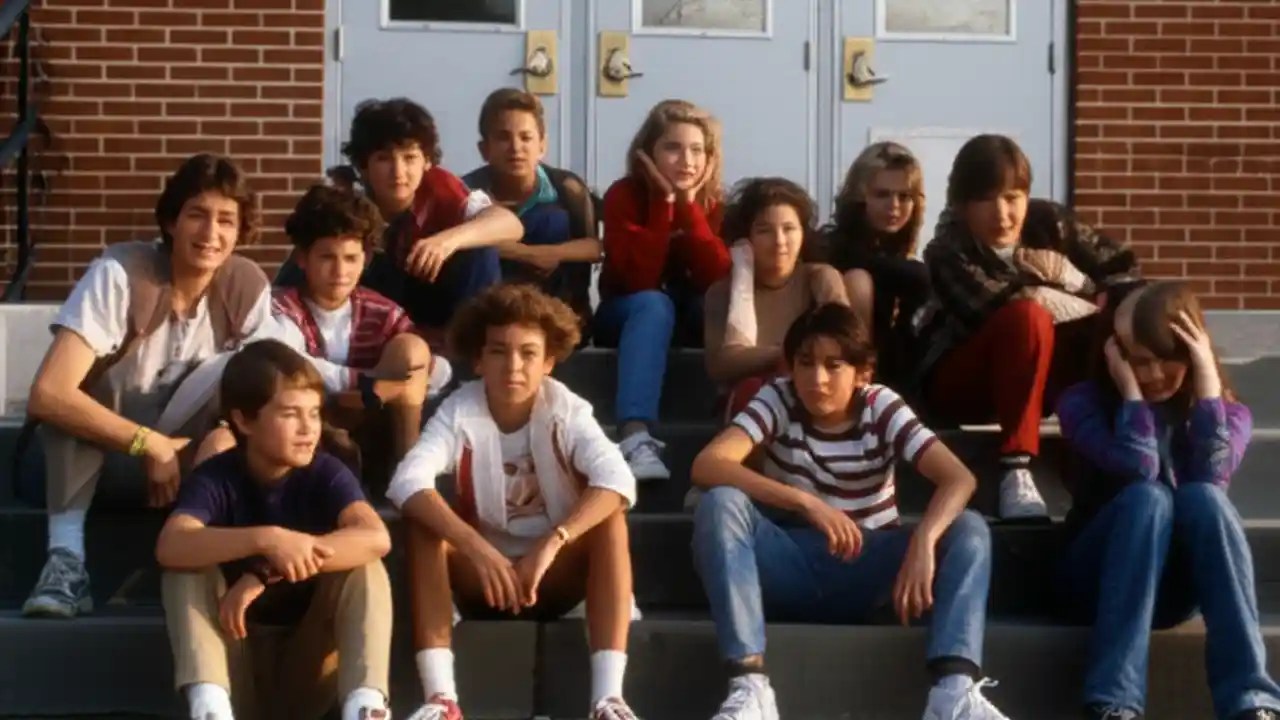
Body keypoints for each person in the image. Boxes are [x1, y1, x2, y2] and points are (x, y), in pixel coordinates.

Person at [691, 303, 1013, 720]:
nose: (816, 379)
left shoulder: (881, 406)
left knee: (969, 527)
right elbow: (707, 465)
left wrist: (925, 540)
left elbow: (959, 479)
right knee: (720, 502)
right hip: (792, 560)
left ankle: (953, 692)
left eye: (833, 365)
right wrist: (806, 503)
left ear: (862, 372)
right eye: (805, 364)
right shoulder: (779, 397)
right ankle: (750, 687)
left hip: (874, 568)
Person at [21, 153, 274, 619]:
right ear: (171, 221)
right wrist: (147, 443)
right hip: (81, 466)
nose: (210, 233)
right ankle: (66, 564)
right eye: (197, 215)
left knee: (232, 427)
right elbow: (49, 393)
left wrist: (216, 435)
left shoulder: (246, 285)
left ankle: (204, 568)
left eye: (226, 220)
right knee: (78, 401)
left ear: (241, 232)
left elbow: (268, 394)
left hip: (178, 465)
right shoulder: (121, 273)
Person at [387, 284, 641, 720]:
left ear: (548, 362)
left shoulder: (567, 407)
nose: (513, 366)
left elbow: (618, 478)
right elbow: (407, 480)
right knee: (424, 523)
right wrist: (475, 546)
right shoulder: (459, 409)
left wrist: (553, 542)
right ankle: (442, 699)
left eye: (528, 353)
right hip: (484, 577)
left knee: (610, 518)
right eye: (499, 352)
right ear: (479, 359)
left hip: (553, 576)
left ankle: (608, 699)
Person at [1055, 281, 1280, 720]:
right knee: (1148, 498)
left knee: (1204, 499)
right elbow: (1139, 467)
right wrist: (1132, 399)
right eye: (1140, 362)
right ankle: (1115, 703)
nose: (1154, 374)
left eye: (1168, 359)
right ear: (1114, 355)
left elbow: (1213, 476)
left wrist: (1208, 390)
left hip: (1173, 589)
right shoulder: (1081, 403)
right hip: (1095, 579)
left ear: (1193, 351)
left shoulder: (1231, 416)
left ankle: (1251, 701)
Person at [156, 340, 393, 720]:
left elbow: (375, 537)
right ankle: (210, 710)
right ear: (245, 421)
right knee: (185, 572)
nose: (307, 429)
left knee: (365, 568)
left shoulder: (326, 472)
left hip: (308, 667)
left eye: (314, 414)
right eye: (289, 414)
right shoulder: (218, 477)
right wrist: (268, 538)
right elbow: (171, 545)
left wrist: (265, 572)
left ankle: (366, 708)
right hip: (236, 665)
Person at [916, 134, 1138, 522]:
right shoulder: (947, 248)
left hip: (1041, 377)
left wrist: (1082, 285)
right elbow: (995, 307)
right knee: (1028, 317)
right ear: (963, 203)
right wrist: (1077, 293)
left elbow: (1126, 275)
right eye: (987, 200)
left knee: (1122, 320)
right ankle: (1016, 468)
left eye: (1013, 196)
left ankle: (1107, 459)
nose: (1003, 214)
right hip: (964, 379)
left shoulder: (1051, 222)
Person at [277, 97, 523, 336]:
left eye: (409, 158)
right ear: (363, 165)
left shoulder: (441, 188)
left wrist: (446, 241)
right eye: (384, 158)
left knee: (480, 250)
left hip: (430, 292)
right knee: (317, 252)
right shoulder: (346, 195)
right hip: (362, 297)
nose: (398, 171)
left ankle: (470, 352)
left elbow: (510, 224)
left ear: (427, 162)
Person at [597, 98, 730, 481]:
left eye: (697, 150)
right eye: (672, 148)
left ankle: (729, 428)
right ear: (647, 154)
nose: (687, 161)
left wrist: (688, 208)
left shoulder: (715, 202)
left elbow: (718, 279)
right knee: (654, 304)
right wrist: (662, 204)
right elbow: (638, 279)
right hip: (625, 315)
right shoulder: (623, 195)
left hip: (687, 316)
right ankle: (635, 435)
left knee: (714, 302)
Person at [268, 184, 433, 489]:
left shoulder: (382, 312)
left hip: (373, 422)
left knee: (412, 349)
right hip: (308, 421)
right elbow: (290, 364)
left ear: (366, 259)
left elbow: (430, 370)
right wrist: (368, 382)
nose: (340, 270)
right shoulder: (281, 307)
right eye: (327, 257)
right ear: (302, 258)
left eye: (350, 258)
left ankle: (408, 482)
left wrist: (382, 389)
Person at [704, 176, 848, 419]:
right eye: (764, 230)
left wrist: (766, 355)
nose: (780, 241)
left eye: (789, 229)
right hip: (750, 407)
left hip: (812, 395)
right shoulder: (721, 292)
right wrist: (742, 276)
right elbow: (721, 364)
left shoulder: (819, 278)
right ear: (745, 238)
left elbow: (842, 343)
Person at [462, 88, 602, 327]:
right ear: (484, 149)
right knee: (480, 241)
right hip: (492, 311)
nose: (516, 148)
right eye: (503, 138)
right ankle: (485, 328)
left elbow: (594, 248)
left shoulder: (568, 188)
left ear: (542, 145)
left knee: (552, 221)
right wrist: (527, 254)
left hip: (556, 310)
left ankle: (559, 323)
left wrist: (549, 253)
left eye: (526, 137)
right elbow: (458, 245)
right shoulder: (467, 191)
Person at [823, 141, 930, 387]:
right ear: (860, 197)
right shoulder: (834, 248)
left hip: (899, 375)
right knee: (858, 281)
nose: (894, 206)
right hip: (841, 370)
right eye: (882, 194)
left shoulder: (901, 258)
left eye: (904, 196)